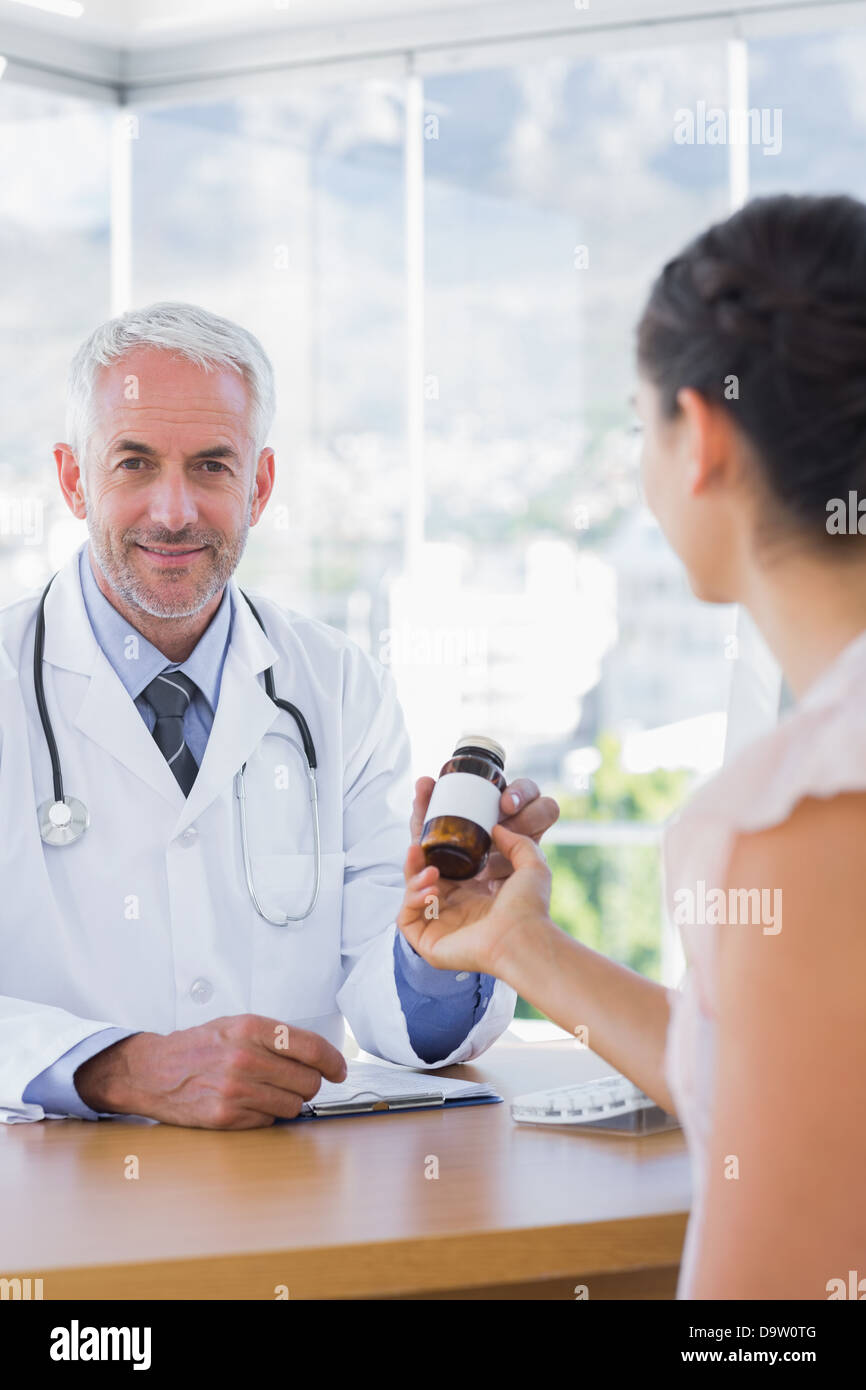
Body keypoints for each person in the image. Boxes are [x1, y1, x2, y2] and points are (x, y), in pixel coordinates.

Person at [396, 193, 866, 1299]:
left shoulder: (804, 815)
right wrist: (525, 949)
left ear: (699, 436)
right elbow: (773, 1085)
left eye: (639, 422)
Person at [0, 301, 560, 1129]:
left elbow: (389, 1007)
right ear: (74, 477)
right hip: (43, 1201)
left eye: (213, 467)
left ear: (260, 484)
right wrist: (119, 1068)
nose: (174, 511)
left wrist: (444, 945)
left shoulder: (341, 687)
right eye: (134, 464)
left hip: (287, 1198)